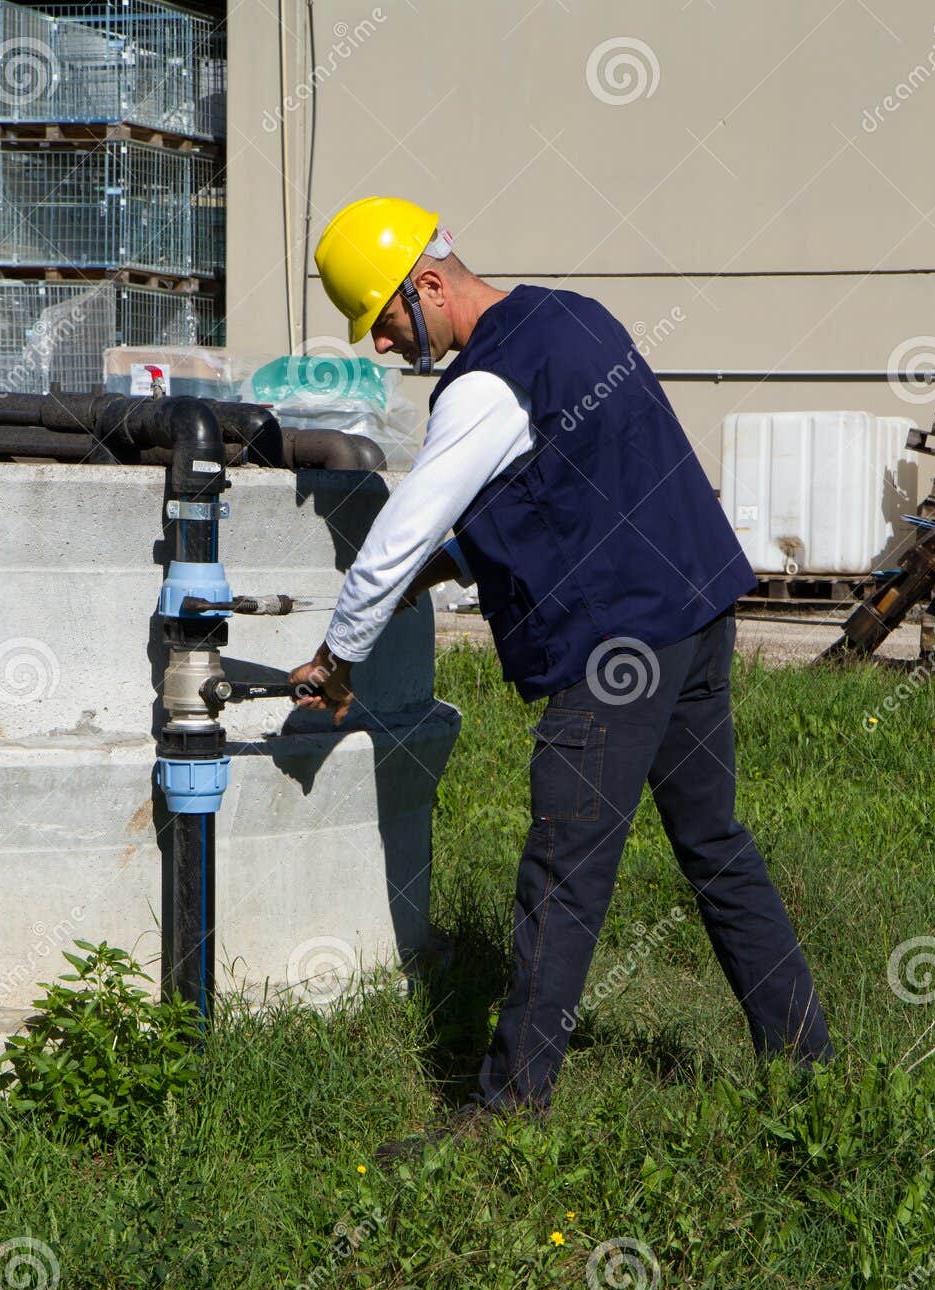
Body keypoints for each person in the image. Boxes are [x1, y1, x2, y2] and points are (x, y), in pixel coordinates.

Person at [289, 196, 832, 1141]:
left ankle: (507, 1114)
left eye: (380, 320)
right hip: (695, 612)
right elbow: (579, 486)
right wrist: (455, 571)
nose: (381, 347)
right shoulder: (574, 315)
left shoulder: (481, 385)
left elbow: (395, 534)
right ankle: (809, 1065)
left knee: (562, 873)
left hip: (617, 649)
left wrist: (339, 657)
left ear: (426, 285)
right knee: (715, 848)